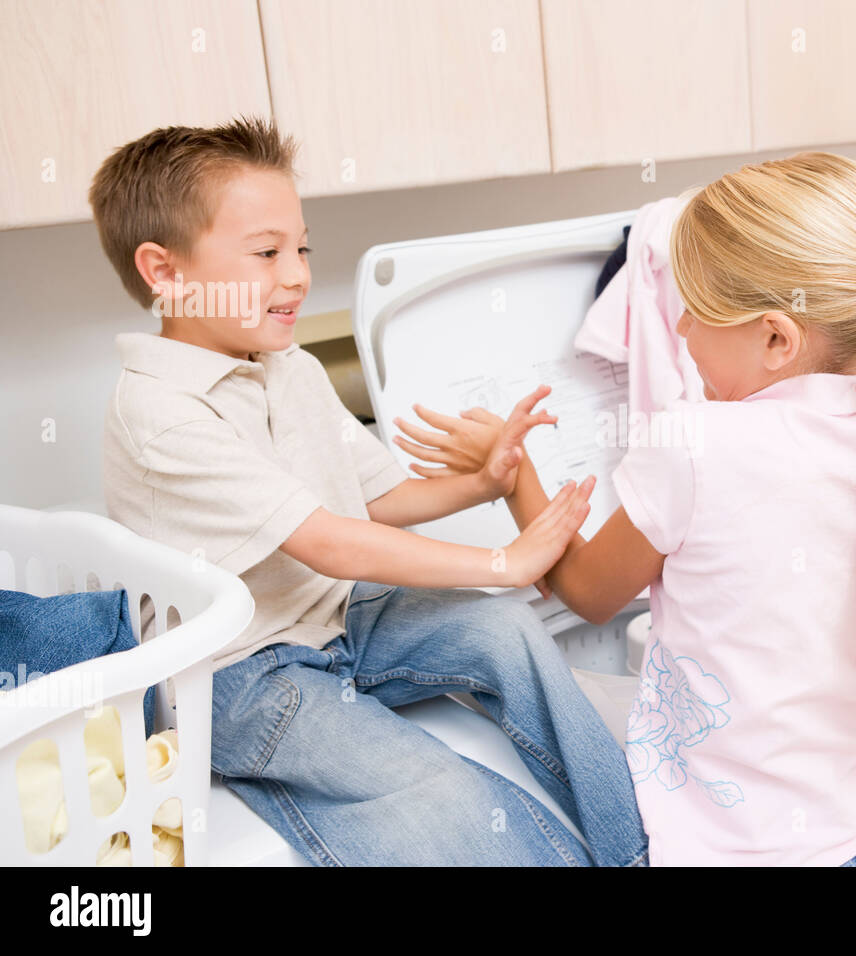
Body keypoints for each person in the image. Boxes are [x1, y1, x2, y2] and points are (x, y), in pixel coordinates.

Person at [90, 116, 648, 866]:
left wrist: (485, 480)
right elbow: (325, 538)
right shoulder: (158, 411)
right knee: (442, 796)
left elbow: (373, 503)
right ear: (164, 272)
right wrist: (502, 564)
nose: (295, 274)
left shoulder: (291, 369)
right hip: (242, 676)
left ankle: (646, 851)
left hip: (343, 616)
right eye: (265, 253)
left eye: (301, 248)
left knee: (507, 631)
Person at [430, 151, 856, 866]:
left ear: (775, 337)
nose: (679, 333)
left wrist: (515, 478)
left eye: (697, 313)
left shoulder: (693, 444)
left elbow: (587, 593)